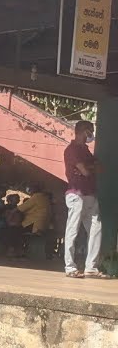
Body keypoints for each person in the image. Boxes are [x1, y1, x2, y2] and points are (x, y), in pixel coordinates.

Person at [63, 119, 109, 278]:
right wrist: (90, 167)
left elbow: (99, 168)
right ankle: (70, 267)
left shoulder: (86, 150)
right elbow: (87, 171)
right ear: (85, 131)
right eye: (91, 131)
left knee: (96, 229)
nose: (92, 134)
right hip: (76, 194)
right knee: (73, 230)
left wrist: (88, 167)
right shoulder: (72, 149)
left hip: (90, 194)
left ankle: (91, 268)